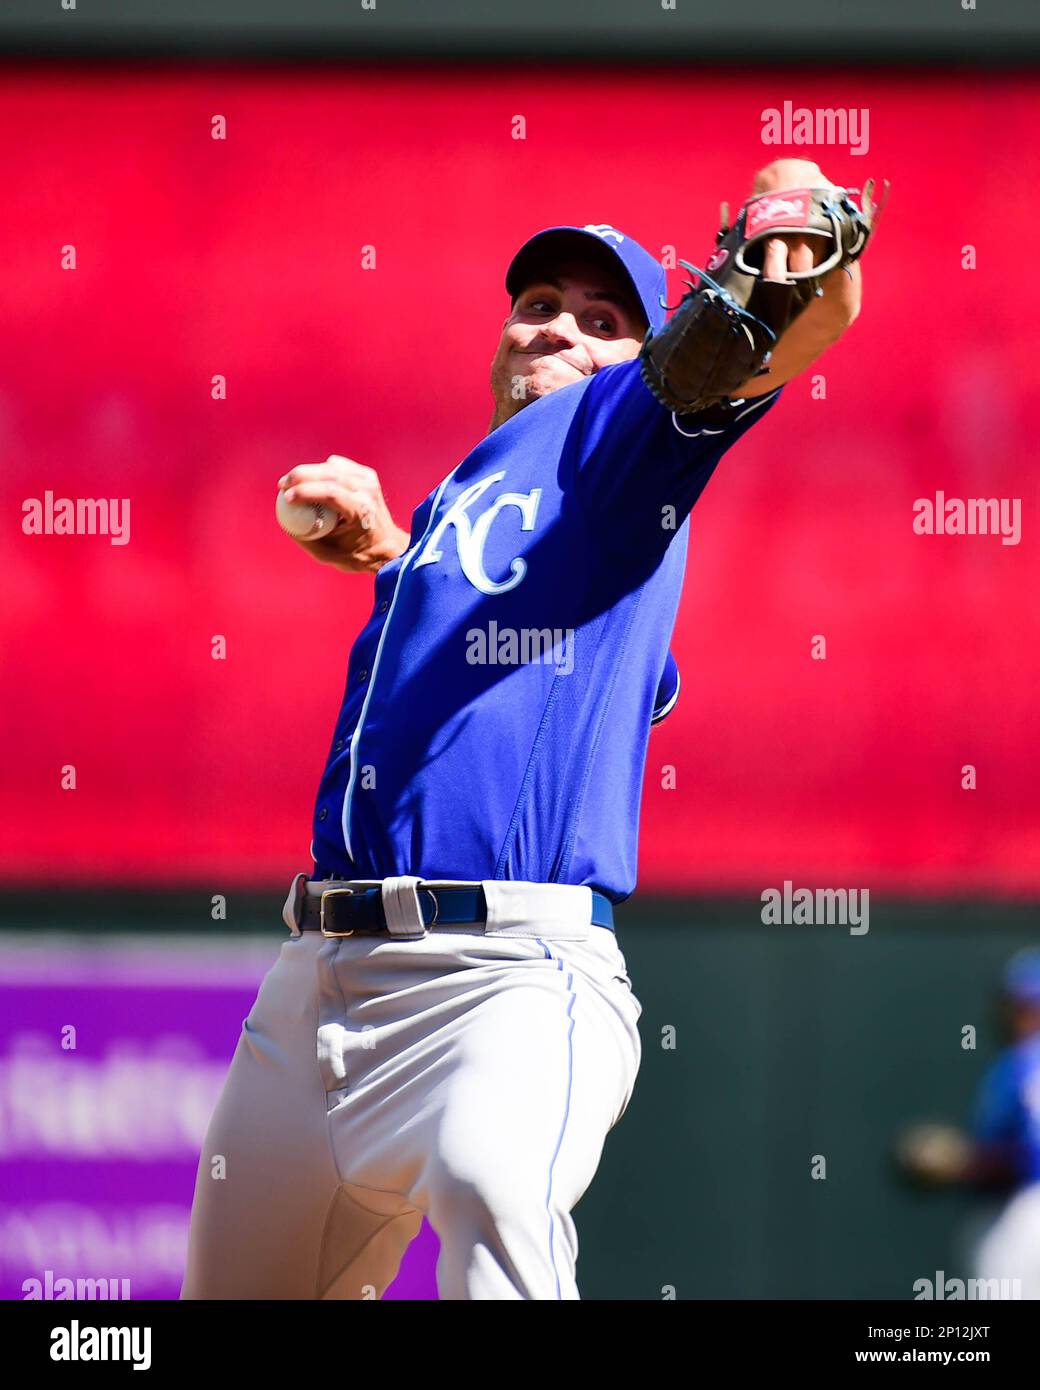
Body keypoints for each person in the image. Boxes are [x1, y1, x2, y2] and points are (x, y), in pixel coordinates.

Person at [181, 157, 863, 1301]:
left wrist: (809, 224)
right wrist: (392, 552)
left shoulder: (617, 434)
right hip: (315, 986)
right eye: (537, 304)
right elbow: (534, 656)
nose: (556, 327)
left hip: (501, 976)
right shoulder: (471, 500)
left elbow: (797, 319)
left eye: (603, 319)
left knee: (494, 1216)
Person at [896, 948, 1040, 1298]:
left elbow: (1019, 1158)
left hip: (1020, 1217)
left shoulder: (1021, 1065)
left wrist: (962, 1164)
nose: (1014, 1016)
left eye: (1023, 1006)